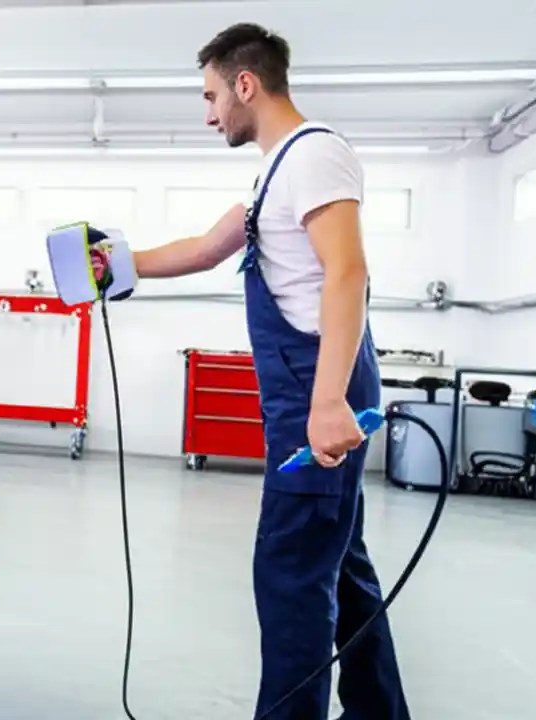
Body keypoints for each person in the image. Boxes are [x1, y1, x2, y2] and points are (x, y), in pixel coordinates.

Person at [111, 22, 411, 720]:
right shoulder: (277, 172)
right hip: (312, 391)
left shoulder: (314, 156)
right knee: (340, 565)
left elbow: (348, 273)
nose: (209, 111)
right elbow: (206, 248)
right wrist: (113, 264)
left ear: (246, 83)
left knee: (291, 576)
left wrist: (327, 399)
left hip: (318, 393)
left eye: (212, 94)